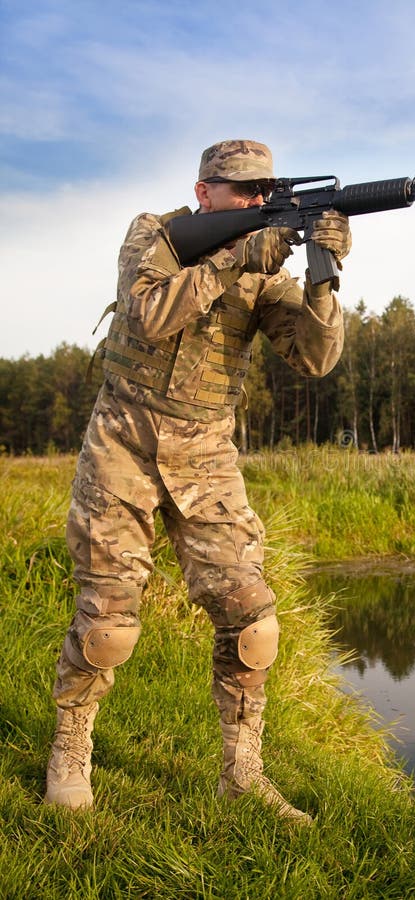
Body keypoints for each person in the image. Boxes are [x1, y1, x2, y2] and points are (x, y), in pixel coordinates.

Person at [44, 139, 351, 824]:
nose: (250, 202)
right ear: (203, 191)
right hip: (123, 440)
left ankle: (242, 776)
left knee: (252, 620)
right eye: (237, 191)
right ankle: (70, 750)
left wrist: (324, 274)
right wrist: (235, 255)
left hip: (207, 454)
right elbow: (149, 316)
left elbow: (314, 358)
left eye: (260, 192)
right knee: (107, 624)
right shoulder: (155, 235)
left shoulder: (265, 275)